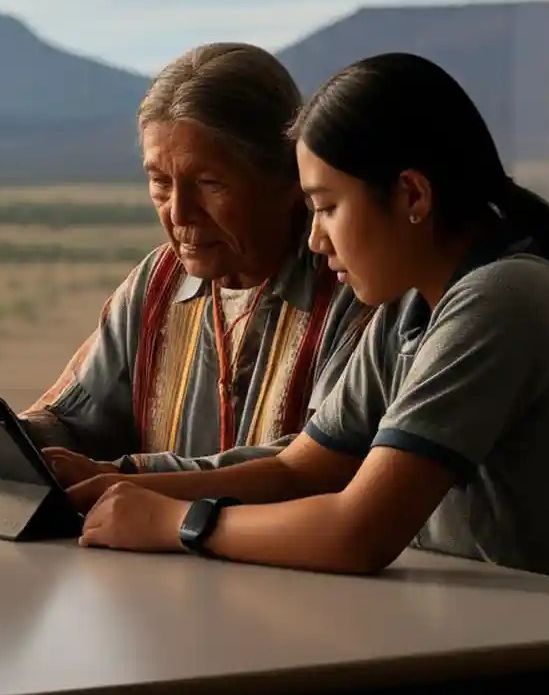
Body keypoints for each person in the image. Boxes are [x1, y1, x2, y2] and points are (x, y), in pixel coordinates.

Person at [65, 53, 549, 606]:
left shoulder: (502, 300)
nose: (315, 239)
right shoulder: (409, 312)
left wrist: (177, 522)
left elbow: (359, 532)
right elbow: (300, 469)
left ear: (412, 196)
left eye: (326, 207)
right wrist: (121, 485)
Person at [20, 43, 372, 476]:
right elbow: (74, 418)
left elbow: (317, 464)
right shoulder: (155, 283)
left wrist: (131, 479)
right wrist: (12, 439)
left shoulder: (352, 286)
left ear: (286, 179)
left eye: (209, 183)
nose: (179, 213)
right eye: (160, 182)